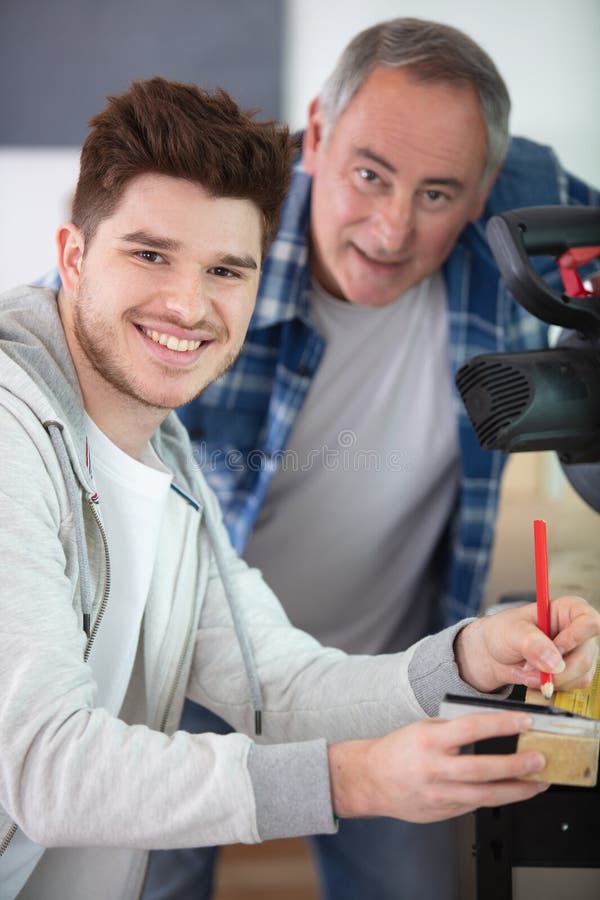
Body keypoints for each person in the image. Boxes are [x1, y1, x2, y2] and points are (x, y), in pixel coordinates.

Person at [2, 75, 598, 900]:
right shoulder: (12, 434)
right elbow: (48, 769)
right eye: (149, 254)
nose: (188, 304)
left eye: (225, 269)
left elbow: (274, 684)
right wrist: (350, 779)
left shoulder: (161, 455)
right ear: (73, 257)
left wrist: (468, 654)